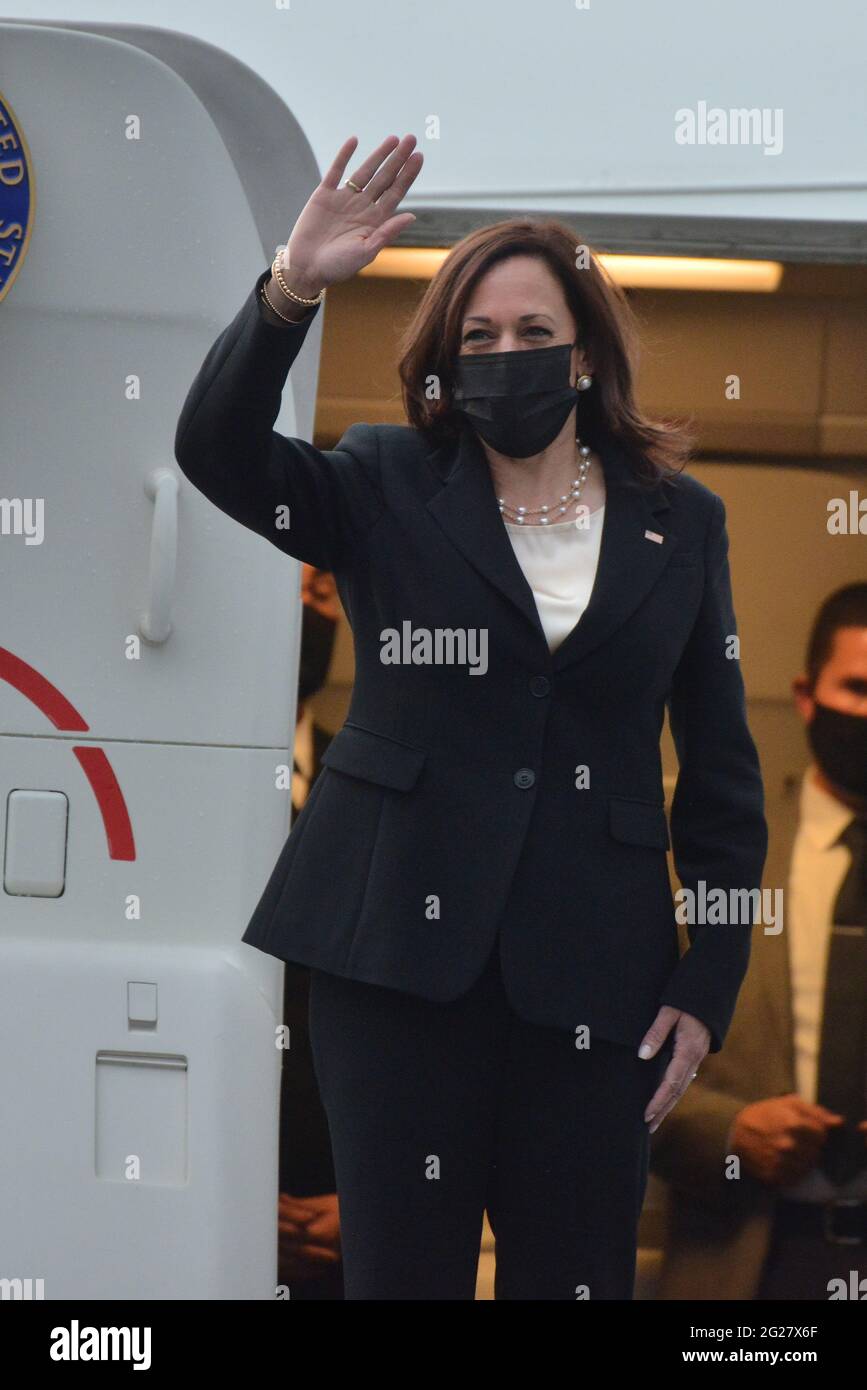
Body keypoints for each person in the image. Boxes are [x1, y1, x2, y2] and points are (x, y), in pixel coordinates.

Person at [174, 133, 767, 1300]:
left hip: (599, 986)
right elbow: (215, 448)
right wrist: (292, 288)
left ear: (586, 353)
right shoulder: (384, 478)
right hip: (393, 962)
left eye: (534, 335)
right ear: (446, 362)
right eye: (478, 339)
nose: (506, 357)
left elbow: (722, 774)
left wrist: (714, 979)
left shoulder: (679, 519)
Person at [651, 583, 867, 1300]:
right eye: (857, 688)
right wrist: (727, 1131)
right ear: (806, 695)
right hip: (743, 1260)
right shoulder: (711, 857)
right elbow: (614, 1056)